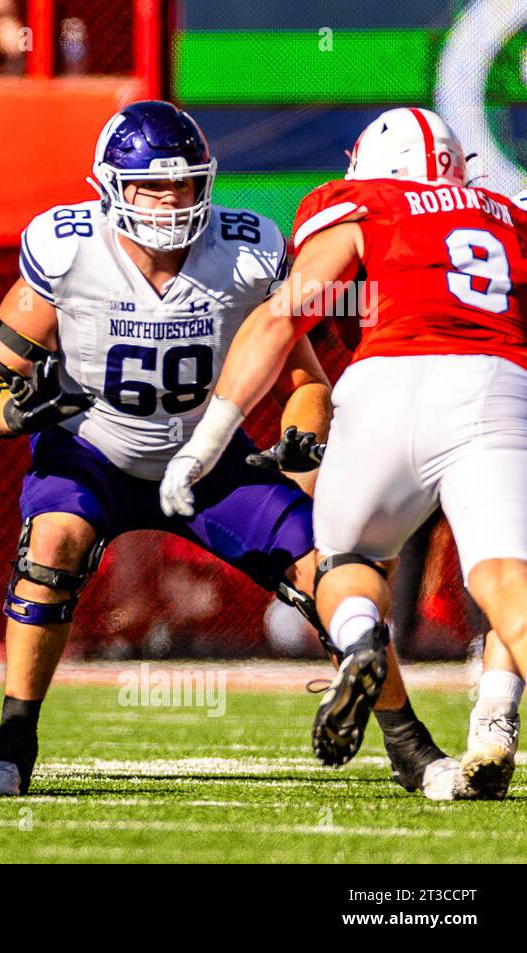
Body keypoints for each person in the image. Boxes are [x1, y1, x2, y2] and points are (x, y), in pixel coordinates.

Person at [0, 100, 458, 798]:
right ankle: (13, 743)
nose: (167, 201)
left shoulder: (245, 255)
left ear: (206, 183)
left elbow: (304, 380)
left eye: (182, 184)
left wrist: (302, 433)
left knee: (328, 570)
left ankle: (410, 743)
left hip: (209, 462)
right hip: (92, 453)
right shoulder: (71, 251)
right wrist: (14, 410)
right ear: (110, 186)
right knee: (54, 541)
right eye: (149, 187)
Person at [160, 106, 527, 800]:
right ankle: (496, 713)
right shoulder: (505, 212)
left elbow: (283, 314)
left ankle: (358, 639)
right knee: (507, 578)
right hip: (497, 382)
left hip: (389, 379)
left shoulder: (363, 201)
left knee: (348, 560)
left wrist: (203, 446)